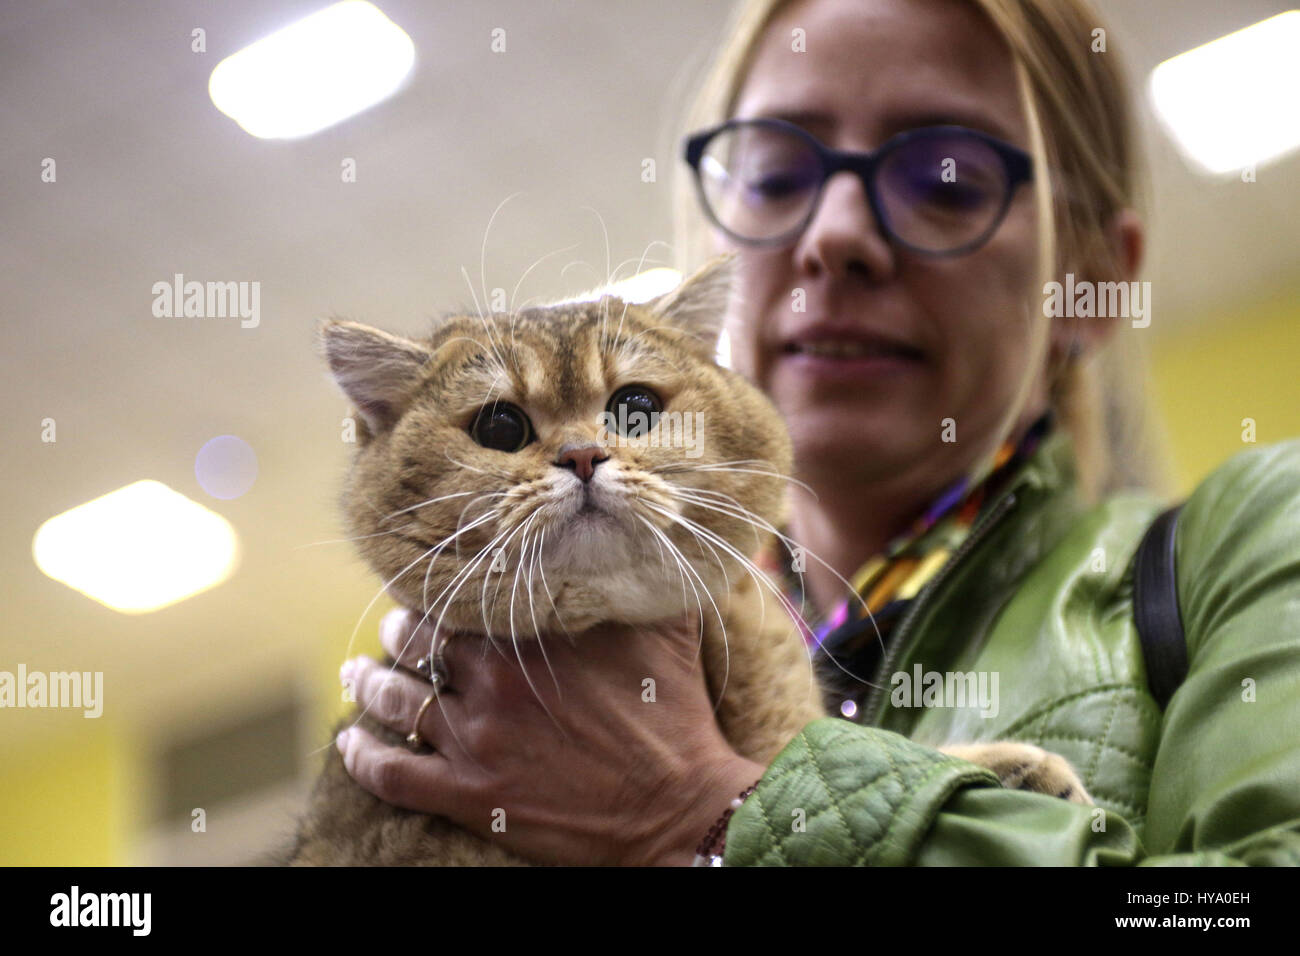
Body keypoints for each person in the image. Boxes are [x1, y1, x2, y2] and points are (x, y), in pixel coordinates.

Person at [332, 0, 1300, 865]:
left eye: (945, 176)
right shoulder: (510, 678)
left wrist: (713, 807)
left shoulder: (1251, 539)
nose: (835, 235)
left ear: (1090, 277)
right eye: (777, 173)